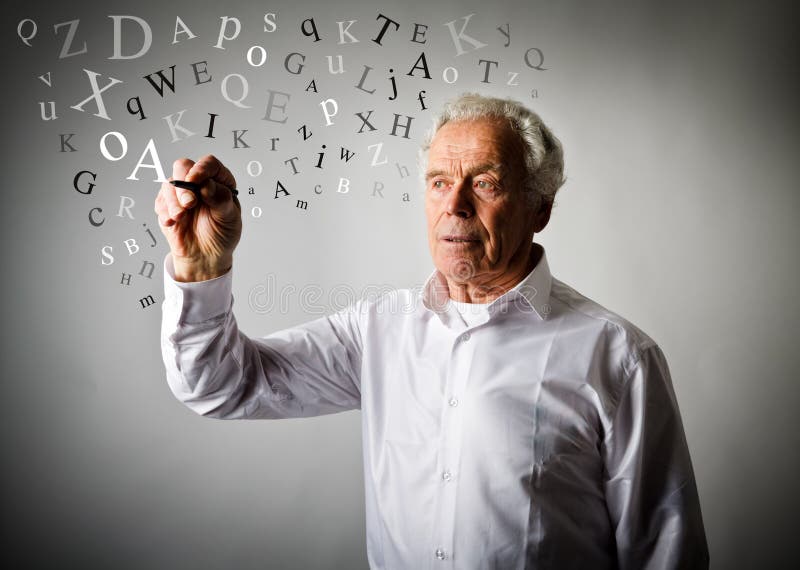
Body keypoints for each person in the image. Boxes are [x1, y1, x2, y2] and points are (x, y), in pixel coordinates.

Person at [156, 93, 709, 569]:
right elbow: (220, 385)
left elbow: (665, 551)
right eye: (439, 182)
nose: (455, 205)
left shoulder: (618, 356)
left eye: (485, 183)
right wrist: (202, 266)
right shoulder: (376, 330)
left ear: (540, 208)